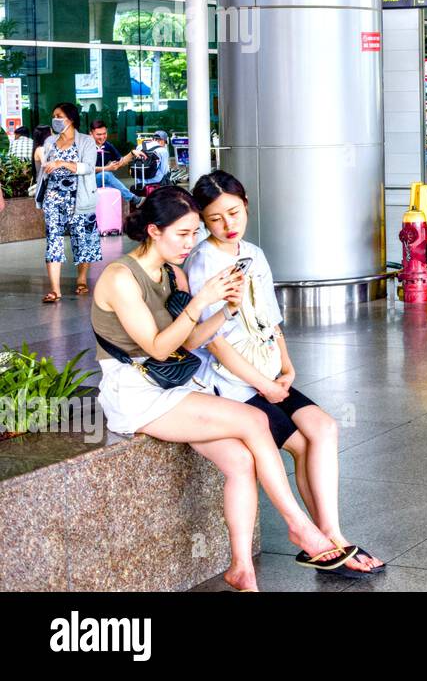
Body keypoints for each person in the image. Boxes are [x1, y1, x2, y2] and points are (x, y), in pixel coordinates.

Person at [91, 187, 359, 591]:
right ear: (153, 230)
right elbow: (160, 346)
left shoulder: (172, 272)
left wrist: (227, 308)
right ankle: (299, 526)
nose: (191, 242)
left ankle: (241, 570)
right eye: (183, 234)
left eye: (195, 232)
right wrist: (202, 300)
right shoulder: (120, 277)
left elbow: (191, 341)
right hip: (135, 393)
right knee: (254, 421)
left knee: (239, 461)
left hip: (175, 384)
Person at [187, 171, 382, 578]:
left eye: (235, 212)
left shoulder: (254, 253)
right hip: (234, 385)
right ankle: (322, 541)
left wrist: (287, 366)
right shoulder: (203, 262)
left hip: (270, 372)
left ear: (246, 206)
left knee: (324, 428)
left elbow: (271, 320)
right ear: (204, 221)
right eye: (216, 218)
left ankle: (332, 532)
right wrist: (262, 385)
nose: (228, 224)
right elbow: (214, 341)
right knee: (299, 443)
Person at [34, 103, 103, 303]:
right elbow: (44, 167)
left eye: (59, 116)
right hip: (53, 198)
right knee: (53, 241)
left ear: (70, 119)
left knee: (83, 240)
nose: (55, 119)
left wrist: (62, 163)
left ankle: (81, 279)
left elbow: (89, 167)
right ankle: (55, 290)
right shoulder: (49, 141)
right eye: (54, 115)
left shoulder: (86, 141)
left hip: (79, 197)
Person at [90, 120, 143, 207]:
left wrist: (132, 153)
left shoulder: (107, 146)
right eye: (98, 134)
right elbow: (85, 168)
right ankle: (134, 199)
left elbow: (120, 162)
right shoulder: (85, 147)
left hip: (100, 181)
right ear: (91, 134)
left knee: (111, 186)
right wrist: (107, 168)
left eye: (104, 133)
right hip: (86, 181)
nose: (102, 137)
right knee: (106, 175)